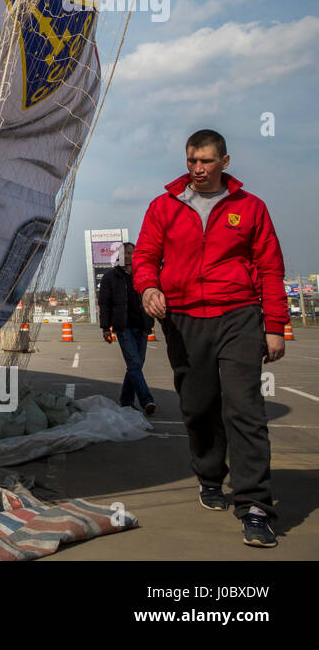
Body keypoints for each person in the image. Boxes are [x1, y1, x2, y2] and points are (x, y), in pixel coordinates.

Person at [133, 129, 289, 548]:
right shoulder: (164, 206)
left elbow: (270, 268)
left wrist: (274, 325)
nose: (197, 169)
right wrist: (149, 287)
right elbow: (145, 256)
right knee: (199, 405)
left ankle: (255, 506)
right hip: (183, 319)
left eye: (205, 161)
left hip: (239, 315)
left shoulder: (251, 208)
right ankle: (209, 475)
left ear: (225, 161)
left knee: (245, 409)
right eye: (191, 161)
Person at [99, 242, 156, 415]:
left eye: (132, 253)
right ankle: (147, 400)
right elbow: (104, 304)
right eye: (125, 253)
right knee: (134, 363)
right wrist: (105, 328)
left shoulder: (143, 276)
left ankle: (126, 400)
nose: (128, 256)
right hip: (123, 327)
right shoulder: (110, 277)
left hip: (143, 325)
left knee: (136, 365)